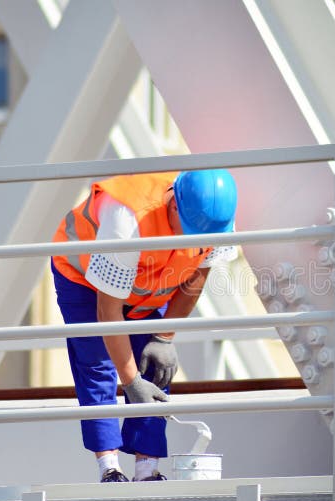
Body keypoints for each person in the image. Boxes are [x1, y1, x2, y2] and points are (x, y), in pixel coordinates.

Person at [51, 169, 238, 482]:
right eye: (192, 231)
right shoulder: (125, 218)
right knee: (98, 365)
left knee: (155, 367)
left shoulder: (217, 218)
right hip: (82, 276)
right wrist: (130, 381)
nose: (196, 240)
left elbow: (198, 275)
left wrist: (164, 337)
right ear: (175, 206)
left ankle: (146, 471)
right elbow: (108, 311)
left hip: (150, 281)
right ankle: (109, 469)